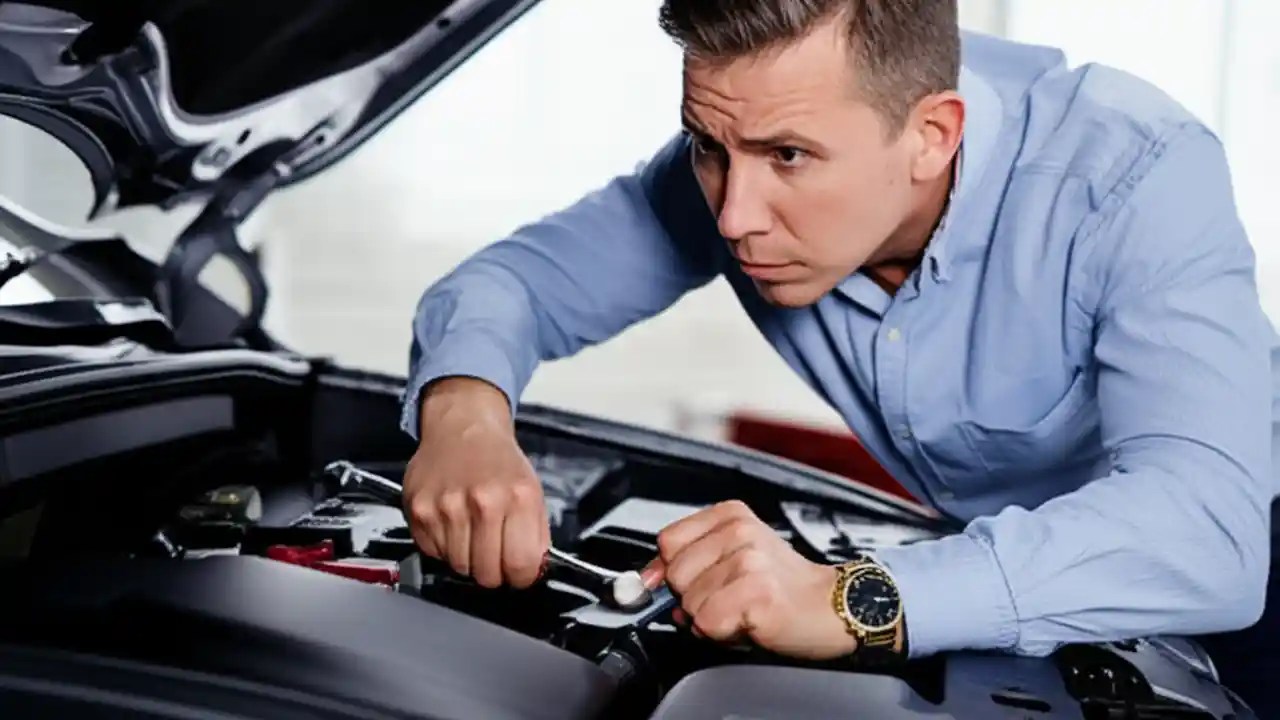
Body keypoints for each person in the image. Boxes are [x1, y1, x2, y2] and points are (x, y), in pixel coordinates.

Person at [398, 0, 1279, 709]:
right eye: (709, 147)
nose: (734, 215)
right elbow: (511, 285)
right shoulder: (748, 142)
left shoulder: (1133, 175)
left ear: (933, 135)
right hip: (993, 579)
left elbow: (1204, 533)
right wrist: (465, 415)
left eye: (789, 157)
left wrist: (845, 598)